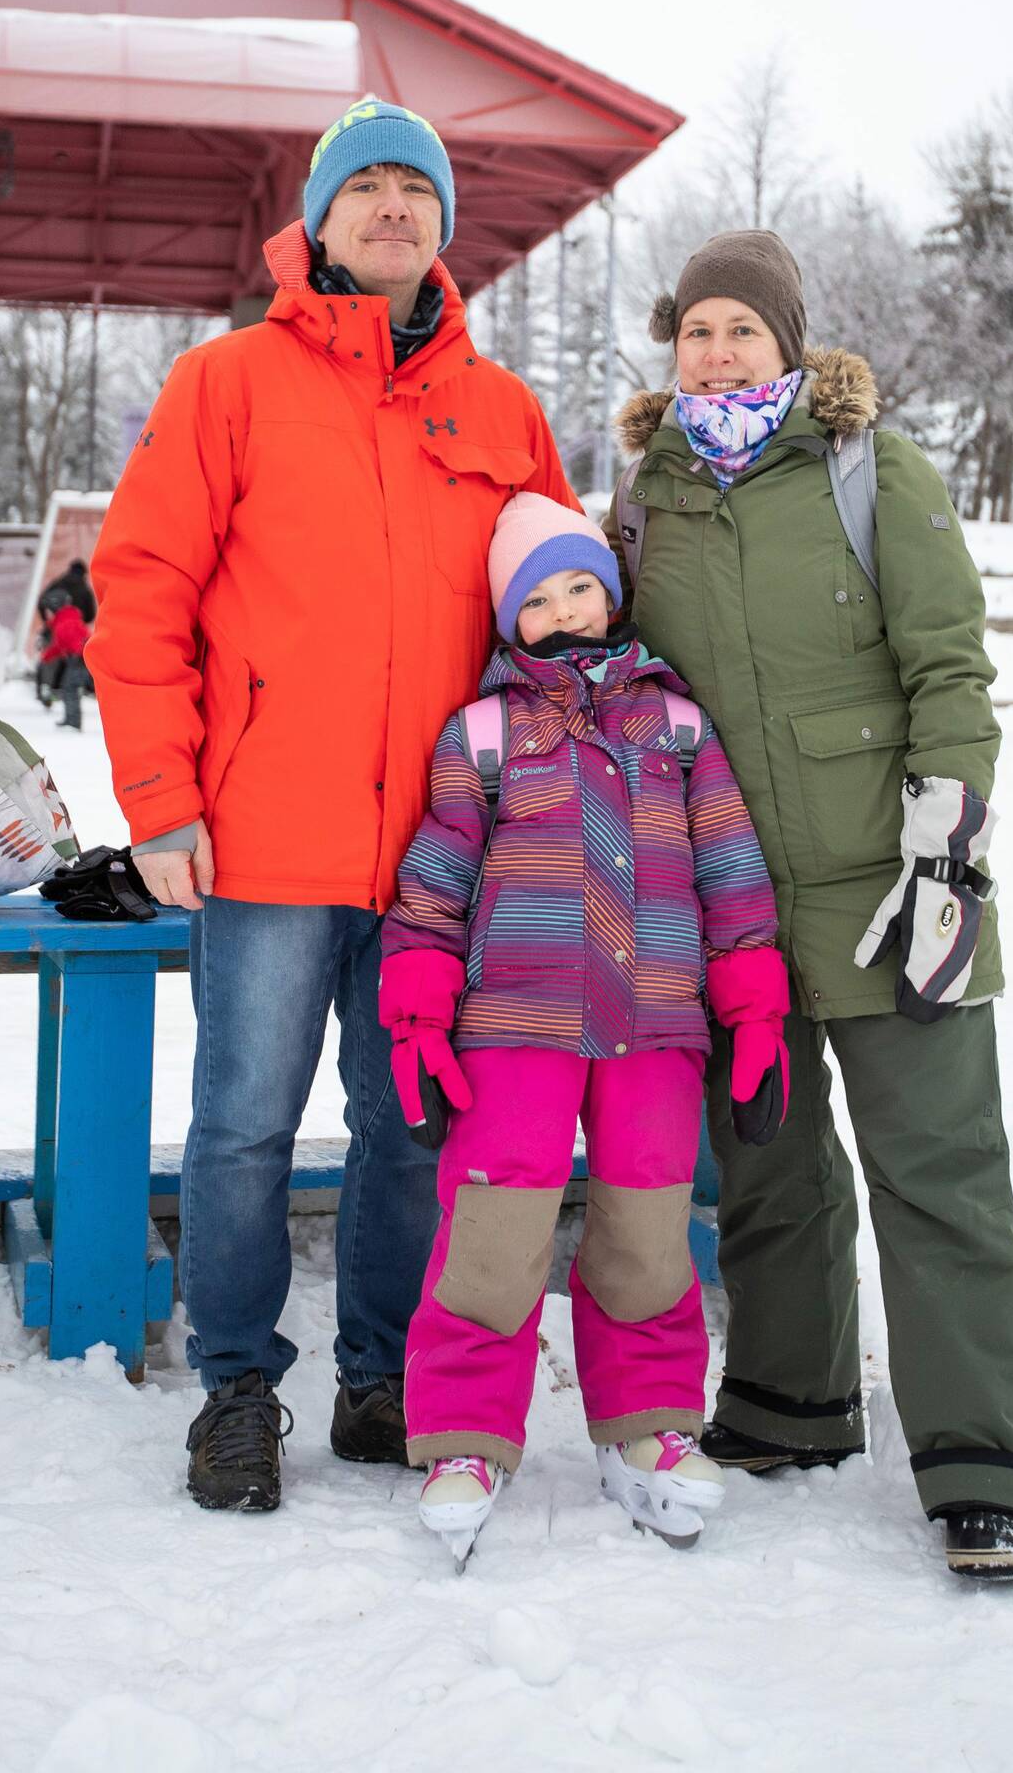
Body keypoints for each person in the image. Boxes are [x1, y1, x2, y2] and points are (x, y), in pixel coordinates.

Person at [87, 95, 576, 1513]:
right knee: (243, 1121)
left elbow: (557, 627)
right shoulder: (227, 381)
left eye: (413, 191)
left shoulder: (501, 413)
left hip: (437, 853)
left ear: (441, 225)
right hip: (264, 839)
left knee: (407, 1122)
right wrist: (163, 801)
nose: (389, 211)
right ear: (317, 219)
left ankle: (380, 1375)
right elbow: (143, 592)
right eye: (361, 188)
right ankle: (237, 1388)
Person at [607, 229, 1013, 1580]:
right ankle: (788, 1406)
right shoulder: (647, 497)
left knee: (938, 1171)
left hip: (890, 885)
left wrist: (949, 838)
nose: (715, 351)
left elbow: (949, 664)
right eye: (695, 330)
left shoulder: (873, 469)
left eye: (740, 329)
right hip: (730, 896)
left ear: (787, 342)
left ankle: (984, 1464)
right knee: (769, 1166)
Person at [379, 493, 788, 1562]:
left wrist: (751, 1003)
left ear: (611, 592)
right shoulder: (482, 733)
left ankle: (650, 1424)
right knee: (495, 1223)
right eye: (537, 600)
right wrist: (419, 1007)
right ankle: (466, 1434)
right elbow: (434, 878)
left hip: (656, 1019)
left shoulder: (679, 721)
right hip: (517, 1021)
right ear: (509, 621)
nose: (563, 613)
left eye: (579, 587)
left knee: (649, 1224)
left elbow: (733, 870)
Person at [40, 597, 89, 729]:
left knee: (70, 689)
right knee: (69, 688)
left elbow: (67, 643)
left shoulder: (65, 622)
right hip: (79, 658)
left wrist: (46, 656)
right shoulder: (66, 620)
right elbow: (60, 645)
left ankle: (73, 722)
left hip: (78, 659)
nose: (47, 614)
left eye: (48, 611)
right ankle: (71, 720)